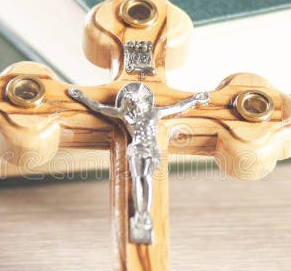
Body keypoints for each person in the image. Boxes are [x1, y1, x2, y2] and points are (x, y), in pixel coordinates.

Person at [68, 83, 209, 243]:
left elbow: (177, 107)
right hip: (137, 151)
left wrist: (194, 100)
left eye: (135, 101)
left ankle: (145, 214)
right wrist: (81, 97)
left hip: (150, 151)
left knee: (146, 179)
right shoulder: (125, 115)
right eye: (129, 102)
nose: (133, 105)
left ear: (142, 102)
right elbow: (99, 107)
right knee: (138, 180)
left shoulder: (154, 113)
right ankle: (140, 214)